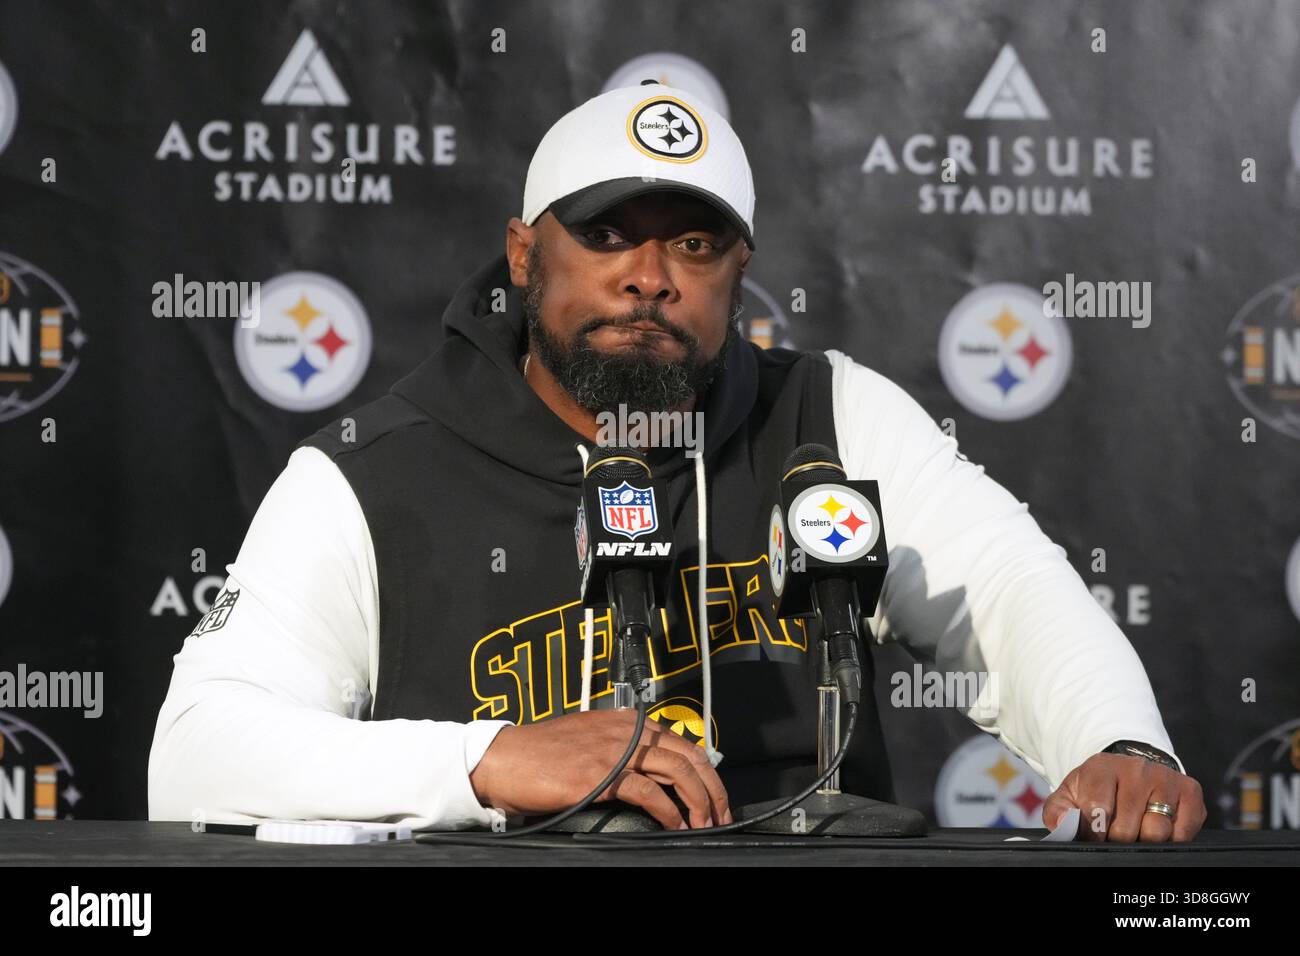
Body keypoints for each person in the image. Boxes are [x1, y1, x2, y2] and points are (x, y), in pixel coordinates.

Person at [148, 81, 1206, 842]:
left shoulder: (826, 412)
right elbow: (197, 748)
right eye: (606, 234)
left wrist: (1121, 744)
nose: (649, 276)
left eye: (693, 245)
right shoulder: (368, 473)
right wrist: (485, 757)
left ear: (738, 271)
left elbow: (1012, 595)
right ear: (524, 254)